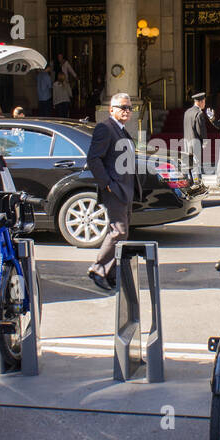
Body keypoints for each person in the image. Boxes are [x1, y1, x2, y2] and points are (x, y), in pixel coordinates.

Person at [85, 92, 138, 293]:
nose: (126, 111)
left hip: (125, 190)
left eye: (129, 108)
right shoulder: (105, 128)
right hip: (115, 189)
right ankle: (98, 268)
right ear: (111, 109)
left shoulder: (122, 130)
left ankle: (112, 273)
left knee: (121, 234)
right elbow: (94, 159)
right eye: (122, 107)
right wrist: (107, 183)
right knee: (119, 231)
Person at [180, 91, 217, 187]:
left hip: (187, 141)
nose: (204, 103)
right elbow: (200, 129)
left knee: (189, 164)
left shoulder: (187, 112)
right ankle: (198, 183)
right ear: (200, 102)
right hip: (195, 142)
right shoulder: (199, 113)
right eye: (204, 101)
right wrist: (204, 141)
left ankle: (190, 181)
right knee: (197, 165)